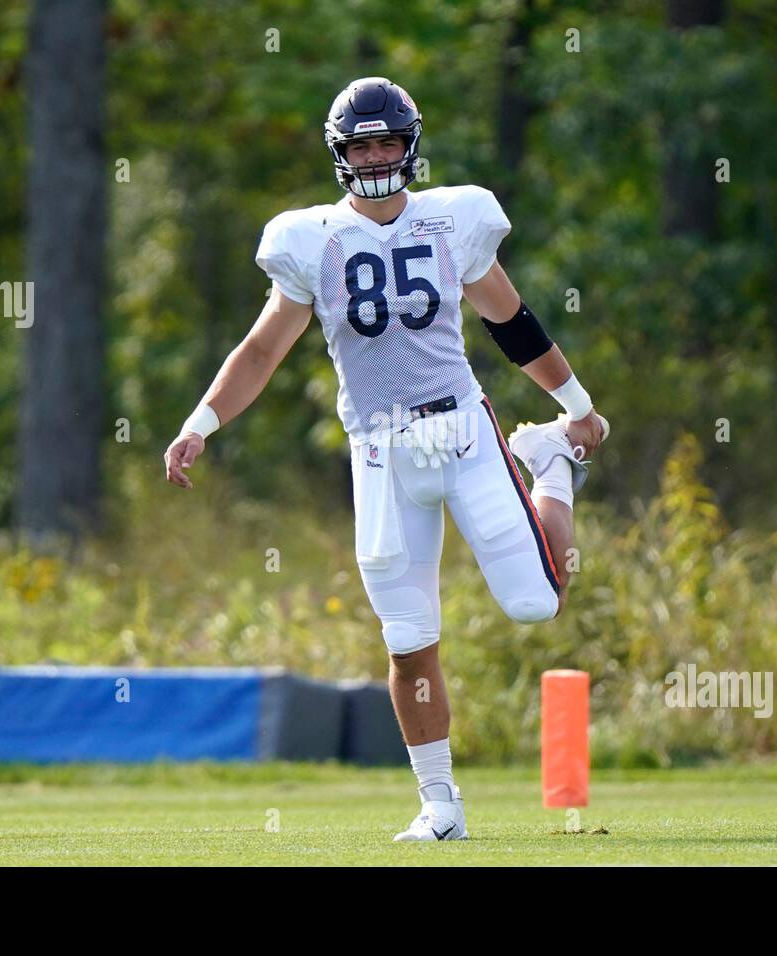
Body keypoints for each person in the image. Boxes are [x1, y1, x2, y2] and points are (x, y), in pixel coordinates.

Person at [165, 77, 608, 842]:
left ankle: (549, 465)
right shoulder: (312, 240)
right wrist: (201, 422)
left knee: (538, 601)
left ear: (410, 146)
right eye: (361, 144)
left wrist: (576, 405)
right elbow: (263, 348)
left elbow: (512, 321)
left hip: (463, 432)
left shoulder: (452, 221)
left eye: (387, 142)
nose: (375, 156)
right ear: (341, 155)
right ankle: (440, 808)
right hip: (380, 452)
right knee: (407, 641)